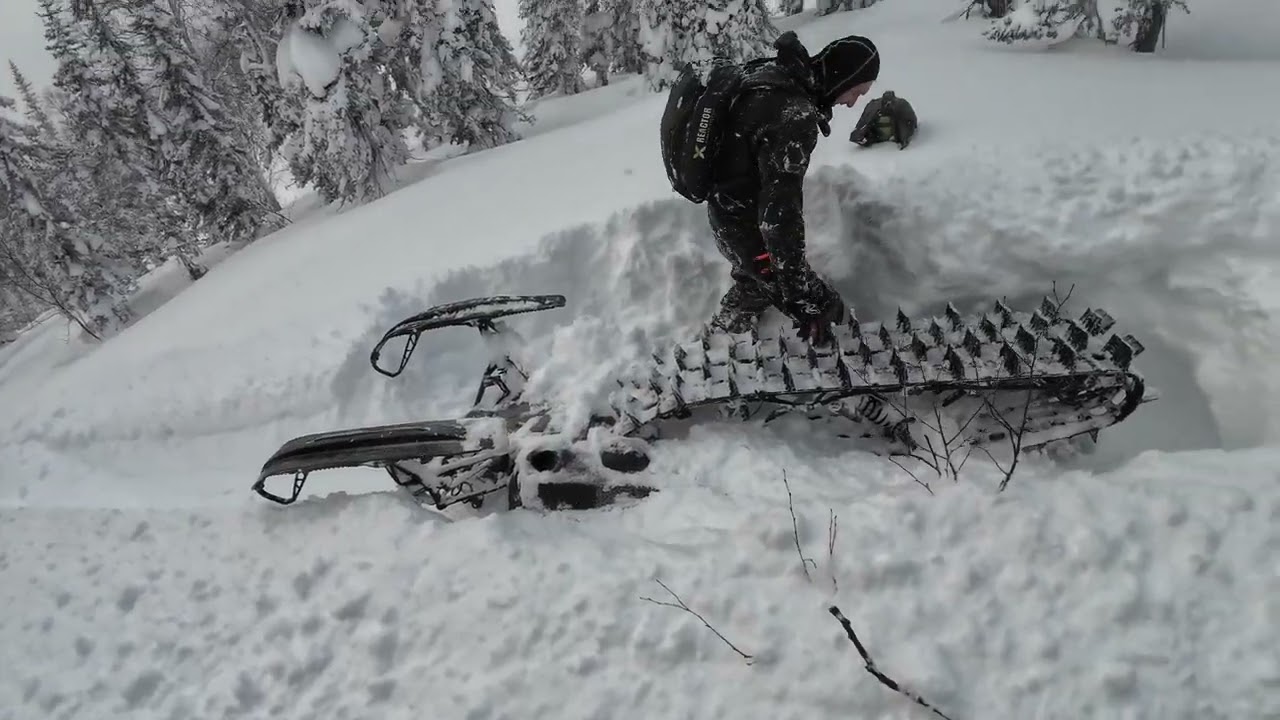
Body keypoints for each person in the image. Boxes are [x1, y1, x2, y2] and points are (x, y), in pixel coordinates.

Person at [705, 32, 879, 346]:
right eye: (857, 91)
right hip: (746, 227)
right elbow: (779, 215)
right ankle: (838, 376)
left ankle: (718, 341)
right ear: (845, 78)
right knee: (823, 307)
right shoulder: (794, 114)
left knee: (756, 283)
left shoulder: (777, 75)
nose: (853, 102)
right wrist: (800, 291)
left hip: (727, 214)